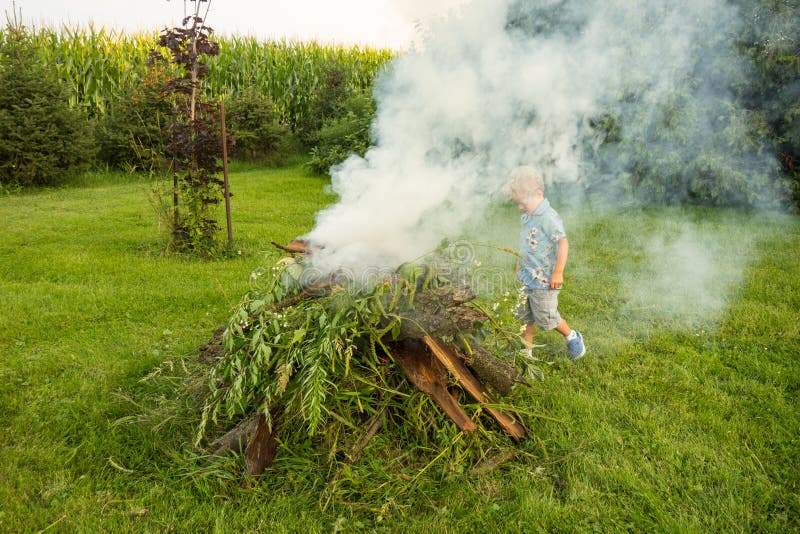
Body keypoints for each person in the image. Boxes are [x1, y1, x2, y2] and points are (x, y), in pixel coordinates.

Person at [506, 166, 586, 360]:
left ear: (538, 194)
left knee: (546, 316)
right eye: (517, 204)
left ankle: (572, 336)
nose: (520, 208)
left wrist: (558, 271)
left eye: (522, 203)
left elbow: (563, 242)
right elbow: (525, 243)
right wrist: (519, 263)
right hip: (527, 276)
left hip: (544, 279)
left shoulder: (548, 217)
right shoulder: (527, 216)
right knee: (526, 317)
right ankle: (527, 351)